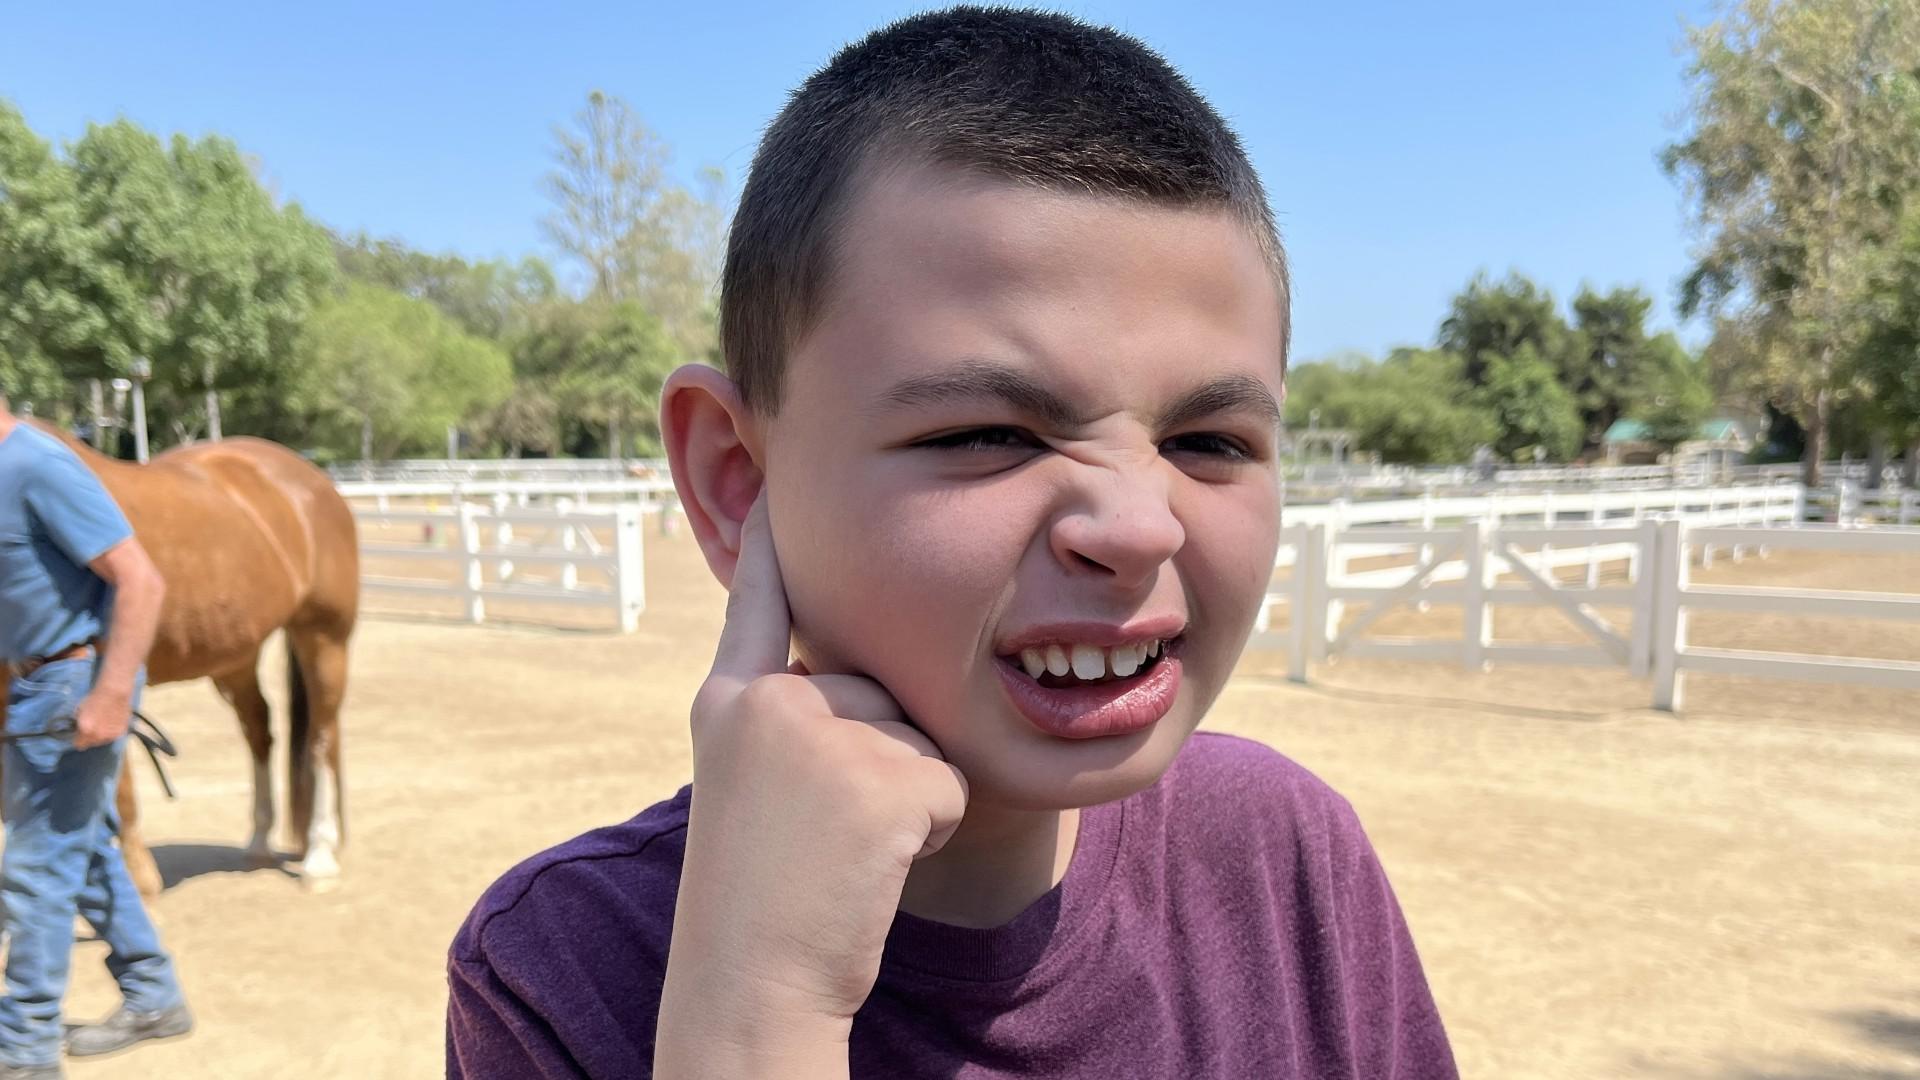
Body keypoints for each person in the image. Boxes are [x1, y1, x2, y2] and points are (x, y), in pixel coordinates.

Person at [448, 8, 1458, 1077]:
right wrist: (757, 1009)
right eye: (987, 433)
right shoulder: (567, 967)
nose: (1138, 523)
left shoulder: (1286, 853)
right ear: (738, 480)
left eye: (1208, 439)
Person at [0, 391, 191, 1078]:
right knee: (80, 853)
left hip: (68, 685)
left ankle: (23, 1046)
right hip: (36, 683)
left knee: (35, 866)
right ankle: (152, 994)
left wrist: (111, 692)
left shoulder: (36, 465)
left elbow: (140, 579)